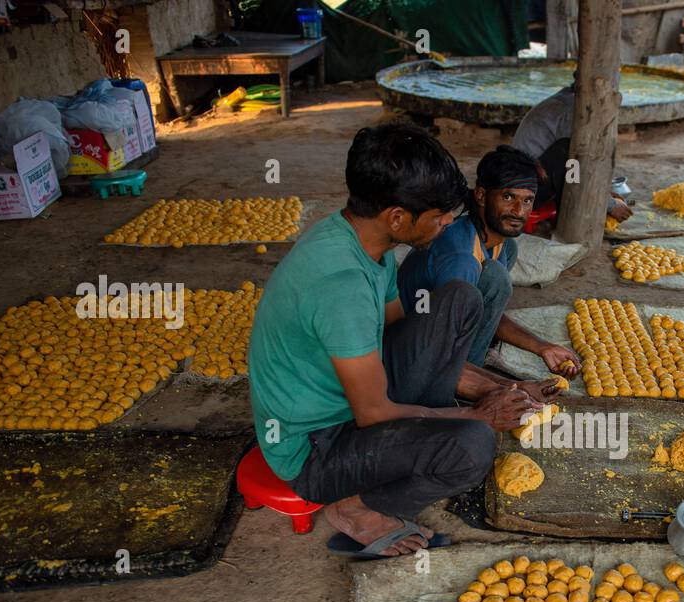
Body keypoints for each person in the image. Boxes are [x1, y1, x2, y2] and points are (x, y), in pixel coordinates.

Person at [248, 123, 537, 559]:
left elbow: (398, 325)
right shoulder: (341, 287)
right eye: (439, 215)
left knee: (460, 298)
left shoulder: (363, 242)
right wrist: (475, 416)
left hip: (355, 396)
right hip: (315, 447)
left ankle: (435, 428)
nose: (447, 224)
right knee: (473, 446)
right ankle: (357, 509)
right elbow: (373, 413)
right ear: (398, 217)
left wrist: (493, 387)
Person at [398, 145, 581, 389]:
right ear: (482, 196)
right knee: (496, 278)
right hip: (412, 349)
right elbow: (440, 343)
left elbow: (486, 312)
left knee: (500, 267)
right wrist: (501, 388)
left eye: (527, 201)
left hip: (444, 331)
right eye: (508, 198)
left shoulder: (500, 243)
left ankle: (471, 370)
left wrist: (542, 347)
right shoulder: (461, 259)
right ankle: (462, 381)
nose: (518, 211)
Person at [511, 77, 633, 226]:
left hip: (526, 178)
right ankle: (571, 221)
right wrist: (609, 204)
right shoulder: (572, 111)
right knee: (570, 152)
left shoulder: (565, 99)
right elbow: (575, 166)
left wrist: (603, 191)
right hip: (524, 192)